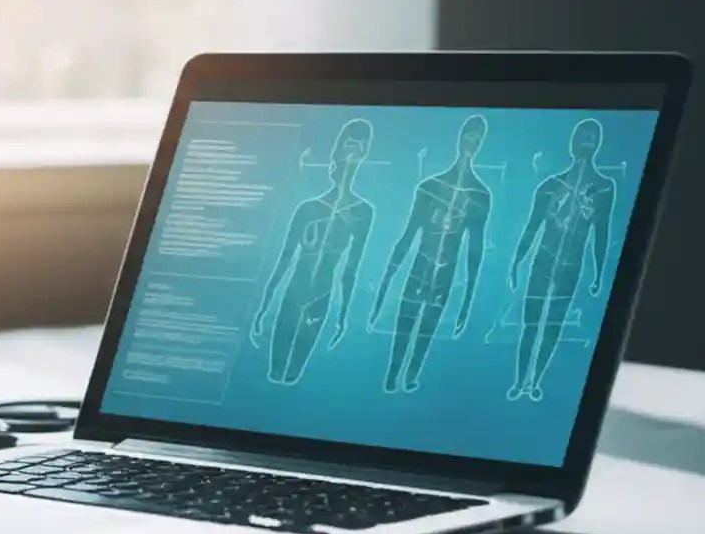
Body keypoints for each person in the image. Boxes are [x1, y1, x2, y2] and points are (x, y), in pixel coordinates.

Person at [369, 115, 492, 393]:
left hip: (446, 272)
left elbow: (475, 248)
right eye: (468, 134)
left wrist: (468, 299)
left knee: (427, 329)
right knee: (405, 323)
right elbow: (408, 236)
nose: (471, 141)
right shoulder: (429, 187)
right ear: (459, 137)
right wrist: (385, 284)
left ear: (481, 143)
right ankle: (392, 374)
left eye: (477, 137)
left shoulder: (481, 195)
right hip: (420, 266)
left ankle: (412, 374)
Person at [250, 119, 375, 385]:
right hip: (293, 294)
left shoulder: (364, 213)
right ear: (337, 151)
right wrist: (264, 306)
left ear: (365, 156)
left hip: (321, 296)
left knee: (293, 375)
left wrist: (343, 316)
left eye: (360, 148)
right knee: (275, 374)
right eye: (349, 145)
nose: (353, 154)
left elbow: (351, 269)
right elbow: (284, 259)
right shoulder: (307, 209)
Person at [507, 118, 616, 401]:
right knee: (531, 324)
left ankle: (535, 381)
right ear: (572, 143)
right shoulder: (549, 186)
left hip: (571, 265)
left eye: (592, 138)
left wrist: (598, 273)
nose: (585, 143)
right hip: (543, 260)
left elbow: (601, 232)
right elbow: (532, 227)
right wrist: (517, 260)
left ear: (598, 145)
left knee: (553, 324)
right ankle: (520, 381)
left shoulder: (603, 188)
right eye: (582, 137)